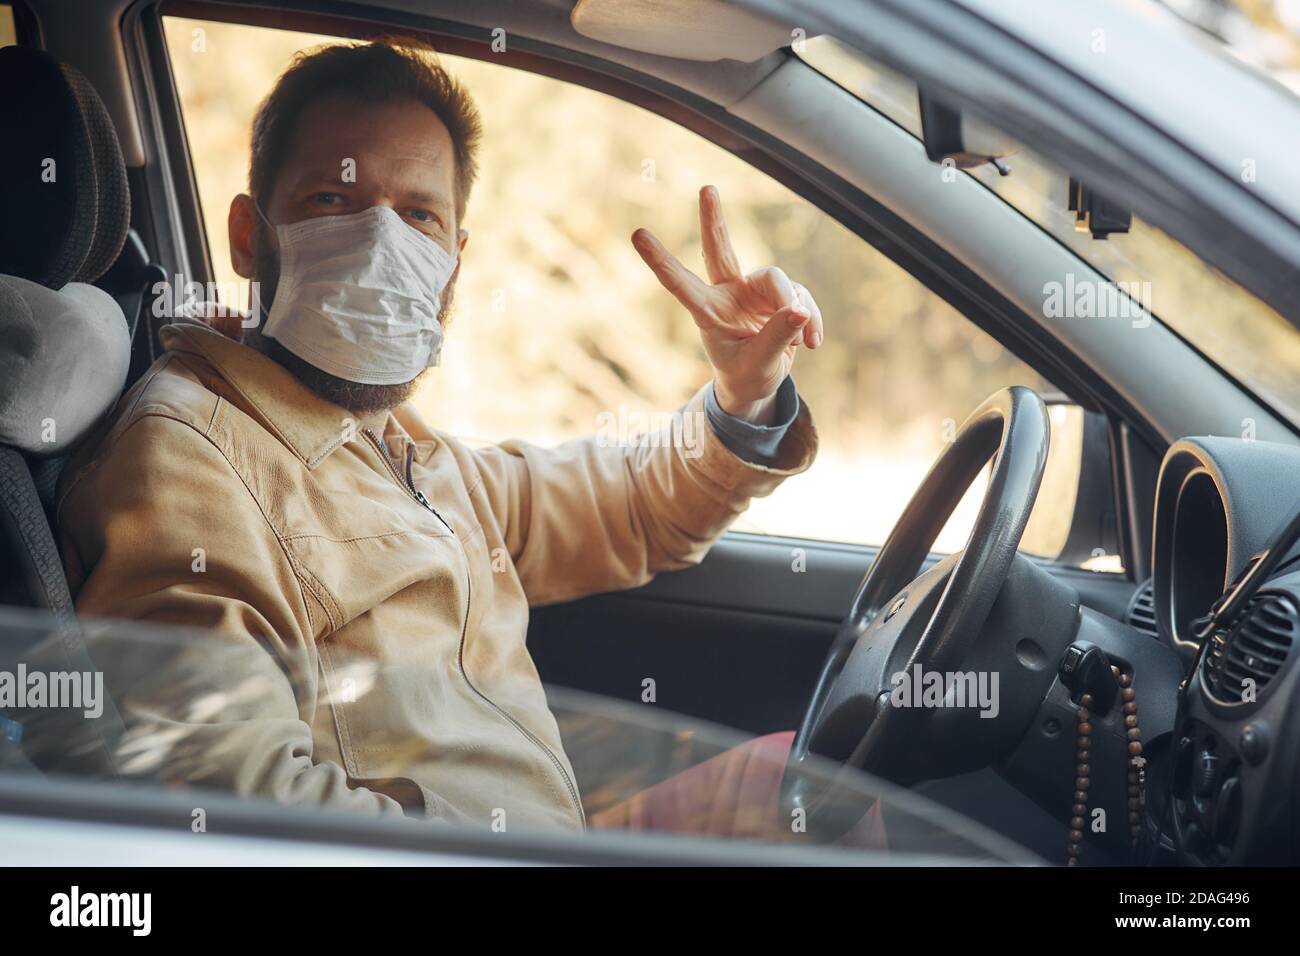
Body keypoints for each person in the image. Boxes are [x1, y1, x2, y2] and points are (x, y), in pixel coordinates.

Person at [57, 39, 840, 842]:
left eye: (420, 215)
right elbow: (236, 802)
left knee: (824, 791)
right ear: (252, 238)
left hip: (562, 833)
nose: (381, 243)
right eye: (334, 199)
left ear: (454, 262)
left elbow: (636, 507)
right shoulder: (187, 457)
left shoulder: (397, 442)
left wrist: (747, 394)